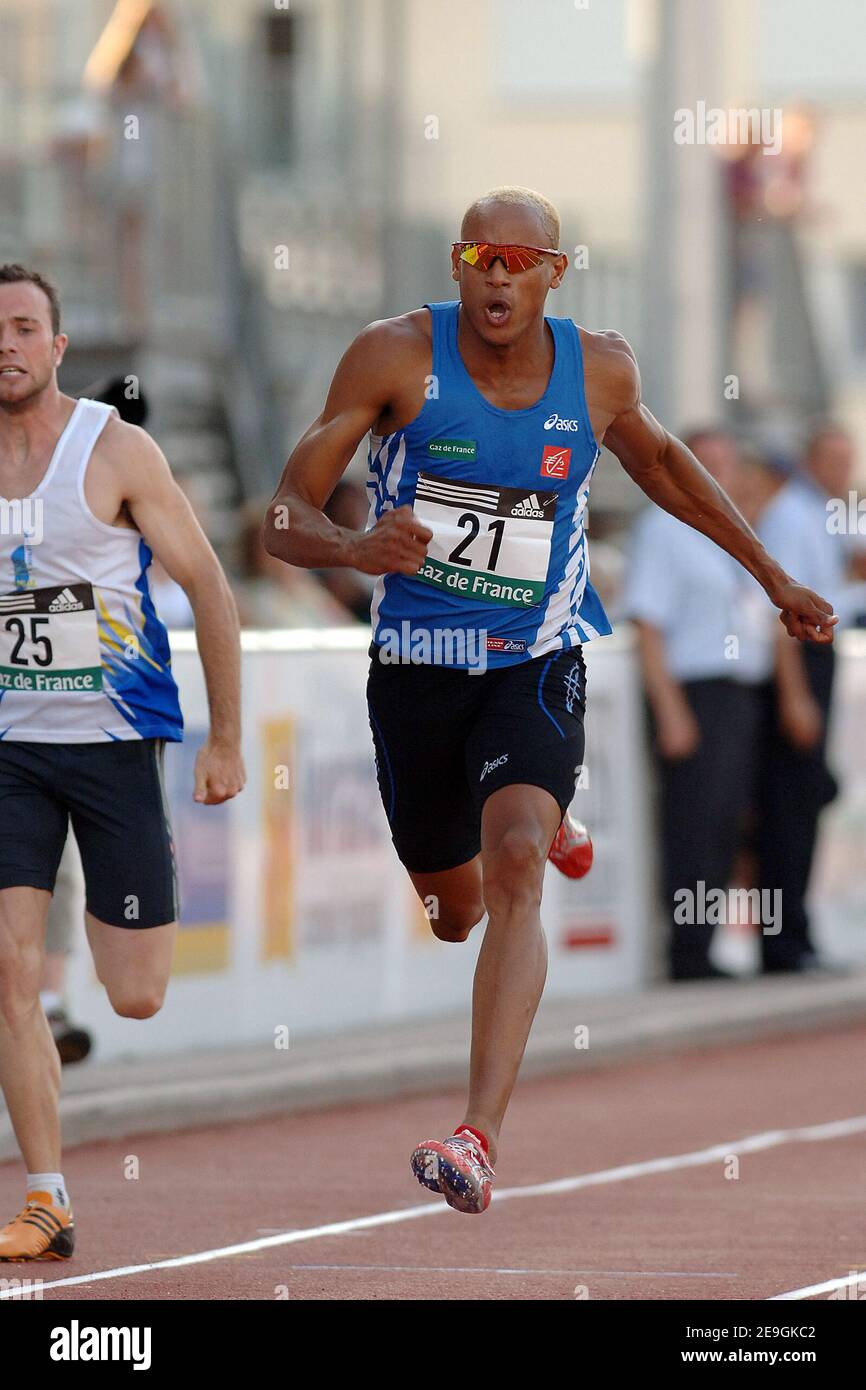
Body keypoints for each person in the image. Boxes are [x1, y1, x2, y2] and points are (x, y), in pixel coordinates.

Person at [262, 185, 835, 1215]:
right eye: (478, 256)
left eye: (518, 260)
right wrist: (354, 545)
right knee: (454, 910)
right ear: (455, 264)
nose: (497, 275)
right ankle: (539, 813)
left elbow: (665, 469)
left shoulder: (599, 367)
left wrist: (771, 578)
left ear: (551, 275)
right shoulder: (393, 354)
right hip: (417, 662)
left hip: (535, 654)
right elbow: (278, 513)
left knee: (517, 859)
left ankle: (476, 1135)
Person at [0, 263, 245, 1261]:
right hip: (9, 750)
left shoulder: (116, 449)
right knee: (8, 973)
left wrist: (225, 736)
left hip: (111, 744)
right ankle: (46, 1195)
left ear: (57, 348)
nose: (5, 345)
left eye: (22, 327)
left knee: (135, 990)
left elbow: (211, 588)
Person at [622, 428, 777, 980]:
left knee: (725, 824)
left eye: (724, 463)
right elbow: (648, 624)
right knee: (693, 822)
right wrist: (670, 709)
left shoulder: (730, 532)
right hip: (696, 692)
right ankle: (688, 953)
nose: (716, 474)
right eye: (703, 462)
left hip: (737, 694)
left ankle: (705, 946)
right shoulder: (663, 530)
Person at [754, 423, 857, 972]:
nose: (844, 472)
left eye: (850, 461)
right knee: (790, 809)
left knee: (807, 799)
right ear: (812, 460)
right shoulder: (794, 515)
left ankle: (795, 935)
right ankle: (783, 942)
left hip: (818, 657)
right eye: (835, 460)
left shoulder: (820, 513)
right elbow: (780, 617)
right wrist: (795, 697)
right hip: (801, 661)